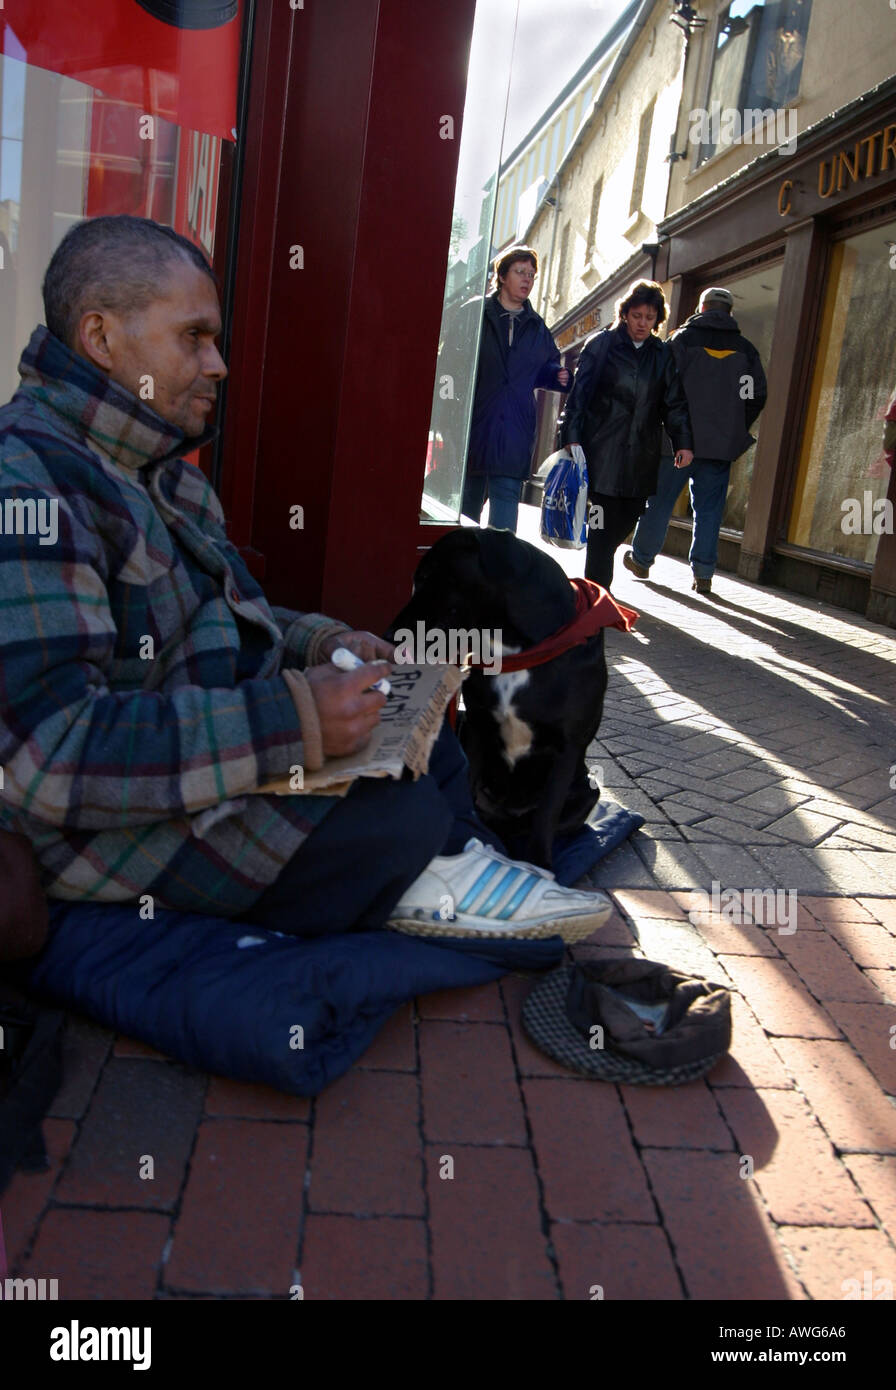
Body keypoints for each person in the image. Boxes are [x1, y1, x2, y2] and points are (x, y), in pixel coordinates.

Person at [0, 215, 608, 954]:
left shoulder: (157, 471)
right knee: (400, 817)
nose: (218, 363)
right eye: (193, 337)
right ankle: (433, 871)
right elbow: (54, 760)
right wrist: (296, 721)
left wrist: (325, 643)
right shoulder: (26, 484)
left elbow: (227, 613)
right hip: (102, 825)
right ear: (100, 338)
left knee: (428, 739)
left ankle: (452, 870)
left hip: (215, 759)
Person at [624, 286, 768, 595]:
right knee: (709, 510)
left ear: (701, 308)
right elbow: (756, 396)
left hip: (677, 441)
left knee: (659, 502)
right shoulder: (746, 350)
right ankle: (703, 574)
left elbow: (659, 387)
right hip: (719, 446)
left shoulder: (680, 341)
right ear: (730, 313)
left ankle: (641, 559)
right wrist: (734, 426)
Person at [559, 280, 693, 590]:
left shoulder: (662, 355)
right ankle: (596, 598)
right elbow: (579, 397)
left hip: (639, 459)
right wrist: (571, 436)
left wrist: (683, 442)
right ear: (625, 314)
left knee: (626, 522)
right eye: (637, 316)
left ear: (657, 320)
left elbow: (674, 402)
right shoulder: (601, 345)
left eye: (649, 317)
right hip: (600, 456)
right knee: (601, 532)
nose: (642, 323)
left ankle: (594, 589)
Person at [456, 245, 569, 532]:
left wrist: (558, 375)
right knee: (466, 505)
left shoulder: (537, 327)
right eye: (521, 272)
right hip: (474, 426)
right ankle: (462, 569)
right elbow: (453, 364)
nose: (527, 280)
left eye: (532, 275)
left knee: (505, 504)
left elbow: (546, 367)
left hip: (515, 429)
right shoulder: (474, 312)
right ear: (503, 275)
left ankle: (500, 572)